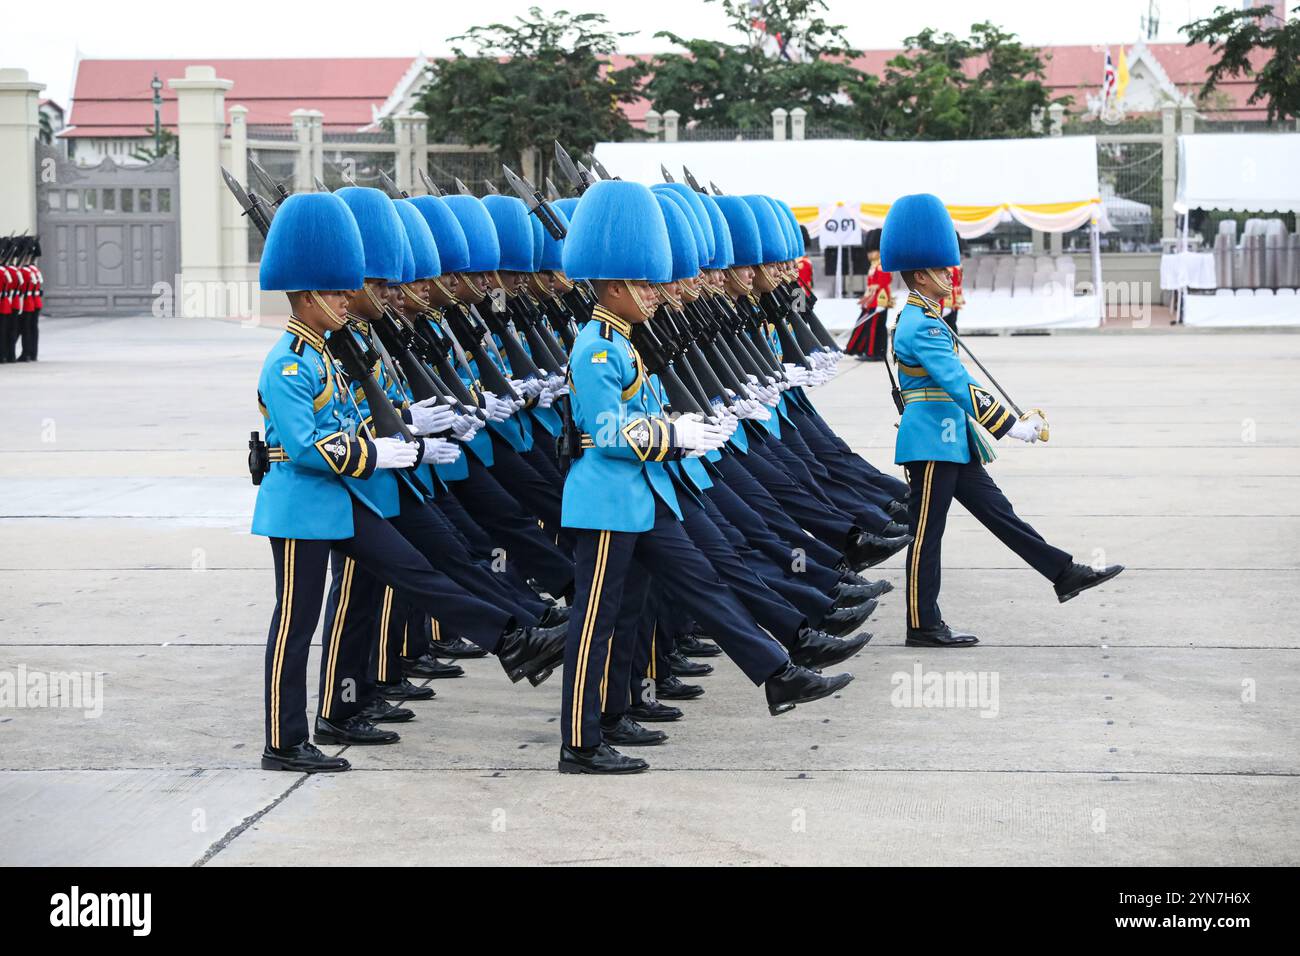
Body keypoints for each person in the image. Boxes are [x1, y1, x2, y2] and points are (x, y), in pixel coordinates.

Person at [251, 191, 565, 773]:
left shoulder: (329, 353)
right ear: (306, 294)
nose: (349, 301)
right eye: (337, 293)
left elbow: (352, 419)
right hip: (301, 504)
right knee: (295, 622)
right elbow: (306, 446)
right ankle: (283, 739)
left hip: (344, 497)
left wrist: (401, 434)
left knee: (416, 570)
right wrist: (386, 449)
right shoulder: (291, 361)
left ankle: (512, 641)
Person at [556, 179, 856, 776]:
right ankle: (579, 742)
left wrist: (678, 426)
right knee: (596, 621)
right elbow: (610, 432)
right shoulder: (596, 347)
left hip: (643, 495)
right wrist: (677, 436)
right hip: (608, 502)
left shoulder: (623, 339)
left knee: (699, 588)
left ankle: (773, 676)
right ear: (614, 285)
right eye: (642, 283)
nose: (652, 292)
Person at [882, 193, 1124, 648]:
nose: (950, 276)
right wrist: (1010, 424)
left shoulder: (927, 316)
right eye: (941, 270)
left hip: (950, 440)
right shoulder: (922, 324)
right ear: (920, 275)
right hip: (933, 442)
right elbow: (956, 383)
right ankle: (921, 624)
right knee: (926, 537)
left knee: (1000, 515)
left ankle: (1063, 573)